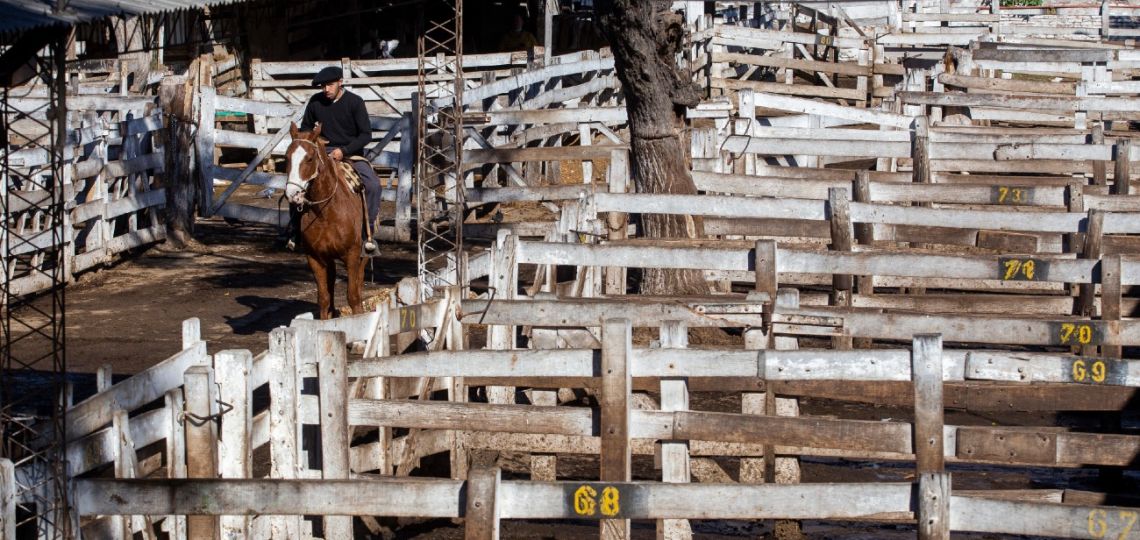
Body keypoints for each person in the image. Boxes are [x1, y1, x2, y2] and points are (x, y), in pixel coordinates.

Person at [290, 66, 382, 255]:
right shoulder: (315, 102)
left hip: (351, 153)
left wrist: (344, 150)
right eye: (323, 86)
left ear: (340, 82)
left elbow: (366, 135)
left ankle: (368, 231)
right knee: (296, 184)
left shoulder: (354, 102)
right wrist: (315, 144)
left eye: (330, 85)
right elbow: (306, 130)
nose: (326, 90)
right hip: (322, 153)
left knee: (373, 185)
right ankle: (295, 232)